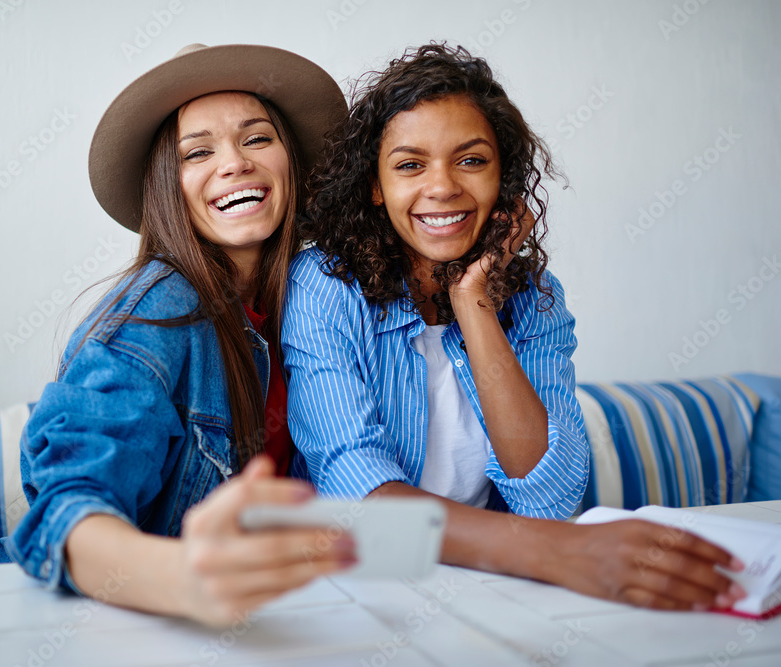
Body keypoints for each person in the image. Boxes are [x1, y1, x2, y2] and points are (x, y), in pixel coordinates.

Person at [282, 43, 746, 611]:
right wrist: (553, 552)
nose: (444, 186)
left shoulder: (534, 298)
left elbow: (548, 499)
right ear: (375, 188)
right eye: (409, 165)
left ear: (502, 175)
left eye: (471, 160)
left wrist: (473, 300)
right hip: (359, 587)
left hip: (493, 585)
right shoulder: (327, 286)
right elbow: (354, 496)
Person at [0, 44, 351, 626]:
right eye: (198, 152)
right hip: (116, 625)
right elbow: (68, 509)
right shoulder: (159, 308)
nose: (234, 163)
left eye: (257, 138)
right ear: (167, 186)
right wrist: (186, 578)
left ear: (291, 162)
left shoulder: (315, 306)